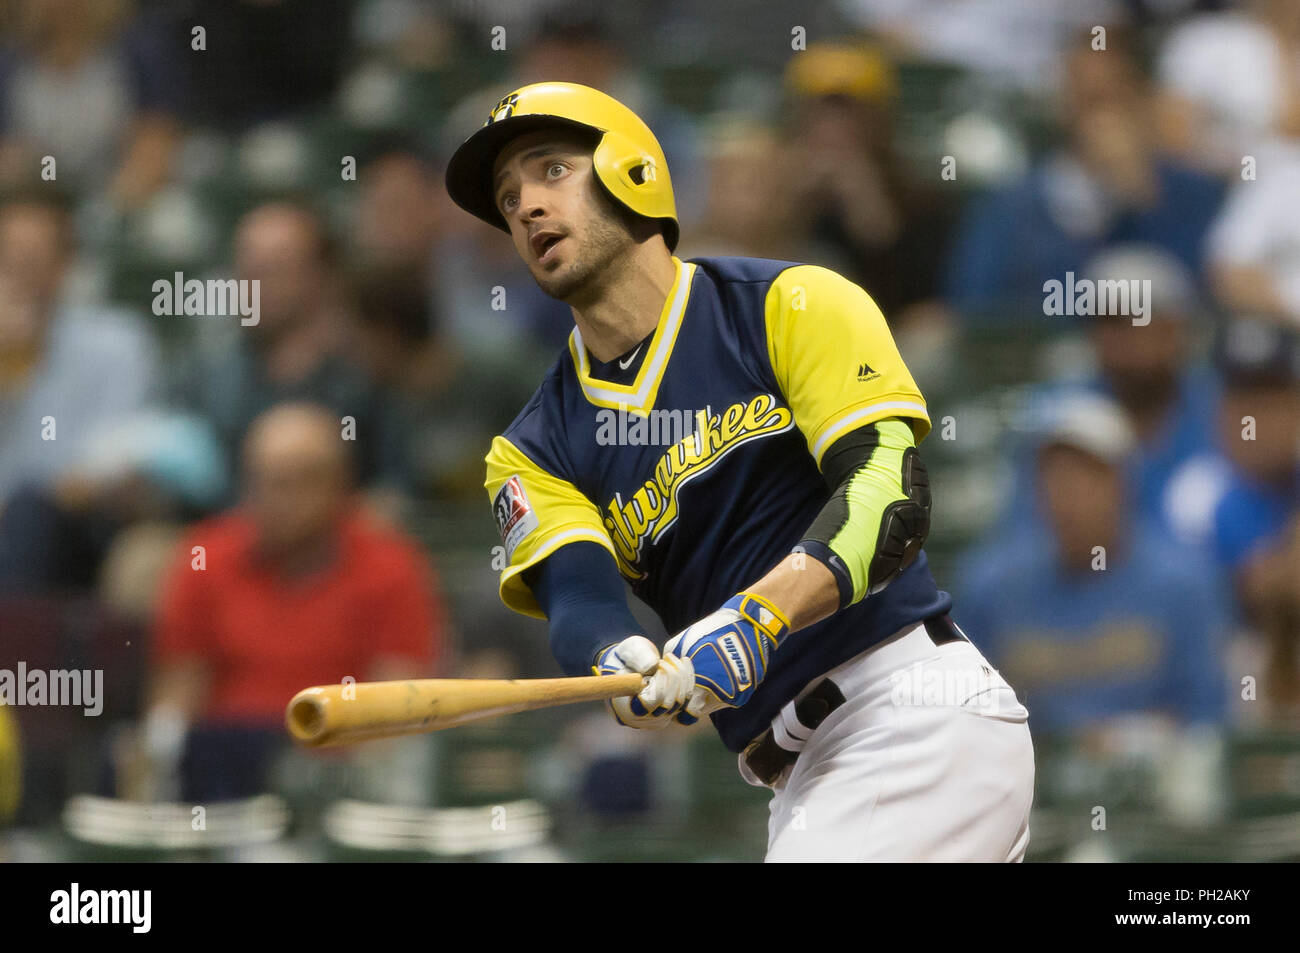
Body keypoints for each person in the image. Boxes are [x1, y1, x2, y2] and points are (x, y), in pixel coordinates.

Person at [444, 82, 1034, 861]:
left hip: (910, 716)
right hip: (799, 776)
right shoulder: (530, 448)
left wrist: (760, 615)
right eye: (507, 195)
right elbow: (578, 599)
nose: (524, 206)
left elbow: (892, 495)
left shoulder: (790, 301)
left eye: (551, 170)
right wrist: (624, 666)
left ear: (633, 172)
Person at [144, 403, 446, 801]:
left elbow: (401, 706)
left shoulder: (392, 567)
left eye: (295, 484)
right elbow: (177, 698)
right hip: (226, 782)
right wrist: (159, 767)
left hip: (342, 781)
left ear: (339, 485)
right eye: (262, 482)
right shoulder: (203, 558)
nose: (275, 500)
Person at [958, 394, 1229, 734]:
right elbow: (967, 715)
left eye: (1088, 475)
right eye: (1055, 475)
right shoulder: (992, 586)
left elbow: (1207, 712)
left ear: (1123, 483)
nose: (1070, 493)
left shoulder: (1183, 583)